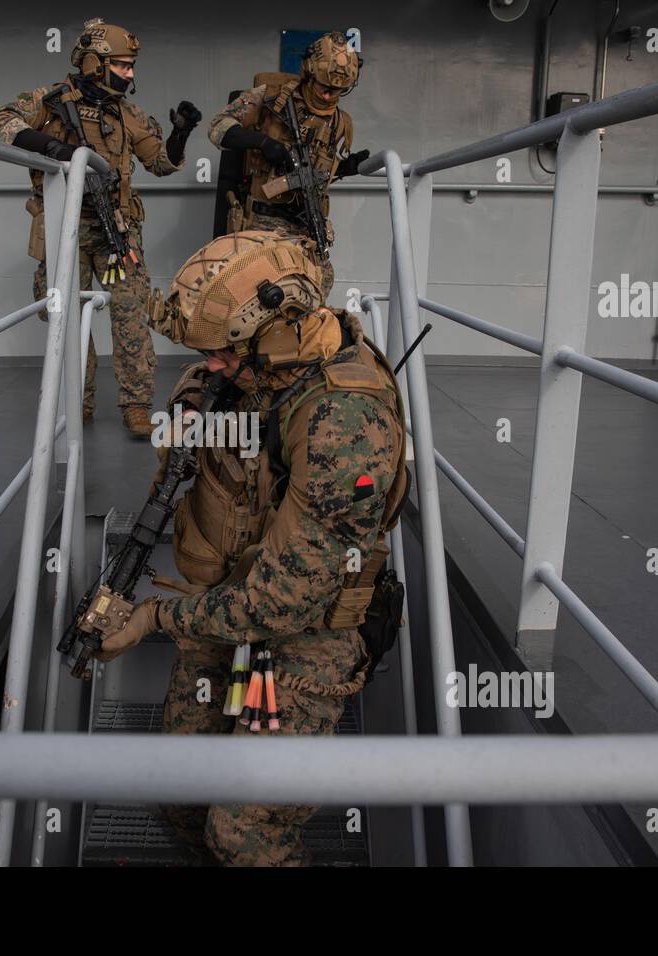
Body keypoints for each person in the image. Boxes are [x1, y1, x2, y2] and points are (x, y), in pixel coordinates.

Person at [94, 231, 408, 865]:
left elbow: (282, 605)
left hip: (306, 633)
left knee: (243, 837)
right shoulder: (268, 358)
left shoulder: (345, 421)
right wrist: (190, 406)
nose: (210, 365)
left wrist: (155, 617)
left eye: (222, 355)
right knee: (181, 792)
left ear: (277, 329)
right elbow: (204, 374)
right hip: (230, 602)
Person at [0, 17, 202, 437]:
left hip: (116, 230)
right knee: (66, 317)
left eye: (131, 65)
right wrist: (54, 147)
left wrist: (180, 134)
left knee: (131, 315)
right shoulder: (47, 101)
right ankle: (76, 401)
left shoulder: (128, 113)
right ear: (94, 64)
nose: (130, 73)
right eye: (121, 65)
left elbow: (161, 163)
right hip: (64, 226)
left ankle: (137, 405)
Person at [207, 31, 370, 299]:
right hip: (262, 218)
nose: (329, 97)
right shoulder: (270, 98)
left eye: (337, 91)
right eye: (324, 88)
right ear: (308, 72)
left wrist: (343, 168)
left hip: (305, 222)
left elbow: (315, 172)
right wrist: (262, 142)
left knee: (321, 281)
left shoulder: (340, 122)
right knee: (260, 292)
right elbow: (217, 128)